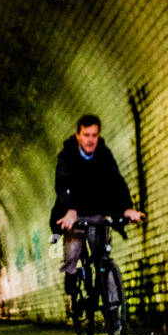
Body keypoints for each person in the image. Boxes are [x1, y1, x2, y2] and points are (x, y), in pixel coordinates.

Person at [50, 115, 145, 309]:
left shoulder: (104, 155)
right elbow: (63, 184)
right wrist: (70, 209)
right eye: (86, 135)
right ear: (78, 135)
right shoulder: (67, 156)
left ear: (98, 135)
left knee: (104, 260)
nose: (90, 140)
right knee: (74, 247)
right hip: (73, 211)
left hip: (96, 212)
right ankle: (72, 274)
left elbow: (117, 182)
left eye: (94, 135)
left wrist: (126, 208)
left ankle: (113, 310)